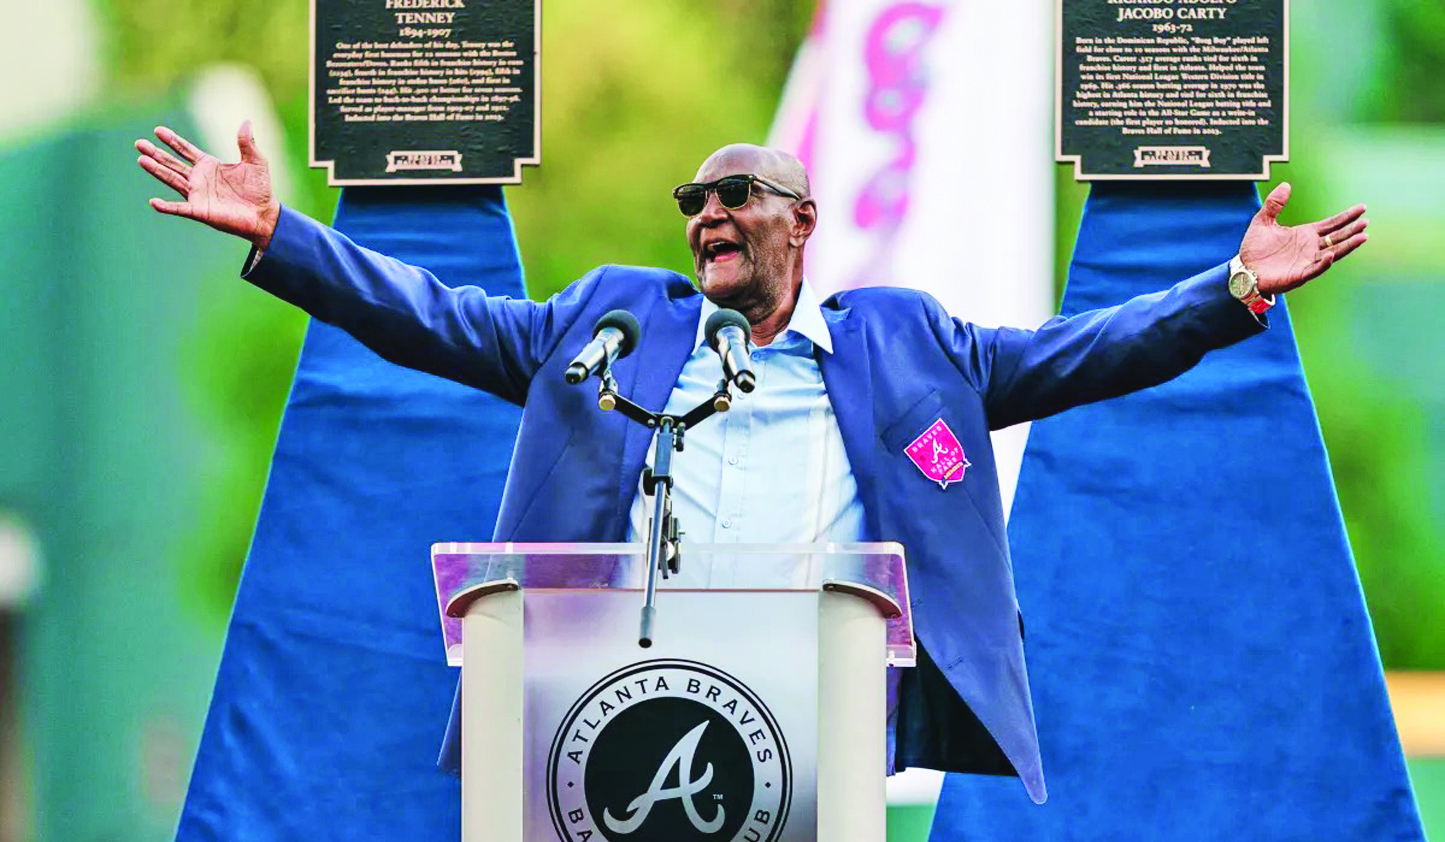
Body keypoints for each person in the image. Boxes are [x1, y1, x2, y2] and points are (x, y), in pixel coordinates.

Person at [135, 122, 1367, 801]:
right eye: (693, 198)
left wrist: (1230, 288)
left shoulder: (905, 341)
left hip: (822, 688)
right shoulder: (612, 324)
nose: (706, 214)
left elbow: (1083, 353)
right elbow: (433, 316)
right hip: (613, 690)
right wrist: (284, 236)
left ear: (802, 221)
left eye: (735, 192)